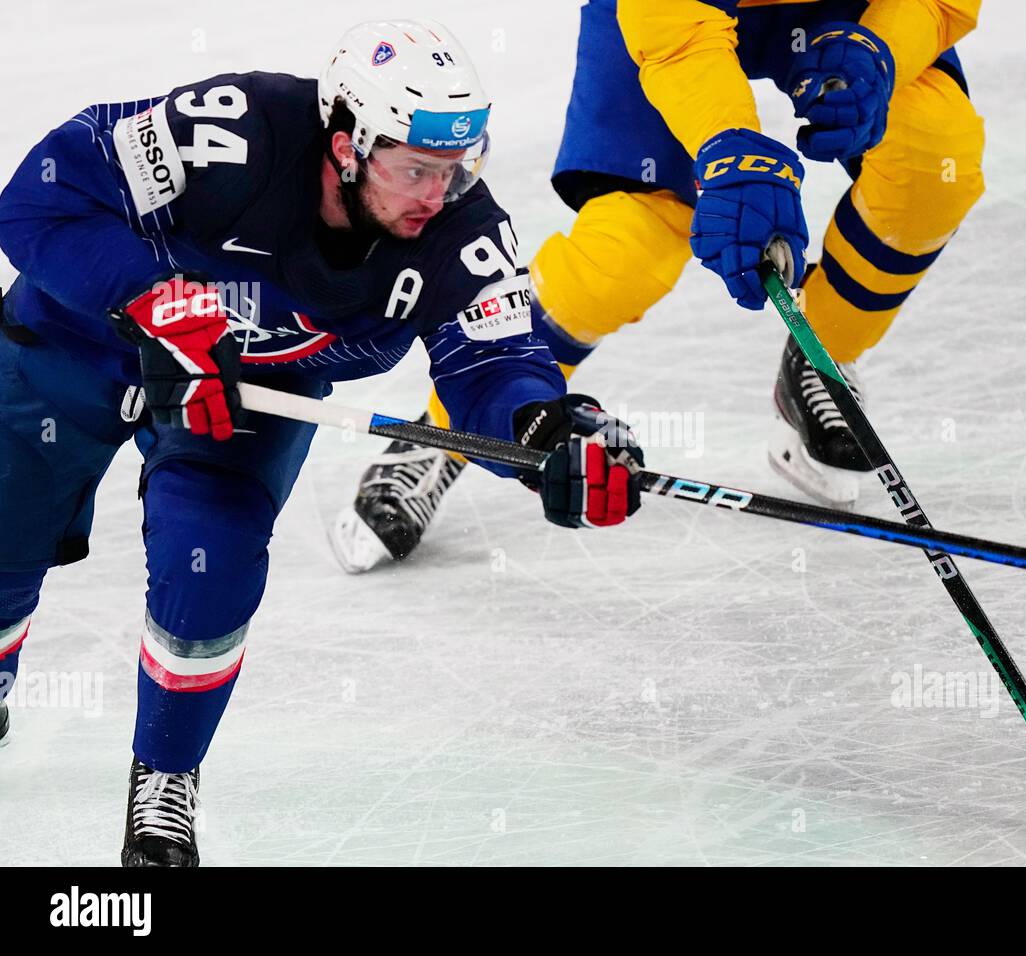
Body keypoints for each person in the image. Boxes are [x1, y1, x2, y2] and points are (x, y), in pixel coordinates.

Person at [0, 18, 644, 867]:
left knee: (214, 563)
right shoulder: (235, 129)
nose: (437, 195)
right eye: (415, 168)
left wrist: (546, 430)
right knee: (8, 524)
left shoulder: (459, 229)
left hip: (248, 393)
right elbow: (40, 195)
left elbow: (496, 370)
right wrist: (152, 297)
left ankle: (165, 776)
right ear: (346, 143)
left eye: (456, 169)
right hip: (88, 335)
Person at [330, 0, 984, 574]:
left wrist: (883, 44)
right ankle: (452, 430)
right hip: (668, 19)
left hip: (848, 6)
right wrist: (732, 149)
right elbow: (674, 29)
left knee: (937, 164)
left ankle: (823, 355)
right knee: (629, 247)